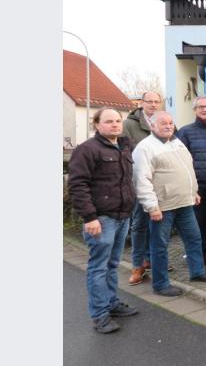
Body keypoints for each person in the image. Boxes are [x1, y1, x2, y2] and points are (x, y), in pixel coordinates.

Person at [68, 108, 140, 333]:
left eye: (118, 121)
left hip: (122, 216)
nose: (115, 125)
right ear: (97, 125)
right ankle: (99, 315)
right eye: (109, 121)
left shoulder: (124, 146)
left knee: (113, 264)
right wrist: (89, 217)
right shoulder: (87, 149)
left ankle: (112, 303)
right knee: (98, 267)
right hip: (101, 219)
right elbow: (77, 185)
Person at [133, 111, 206, 297]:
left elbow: (188, 170)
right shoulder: (145, 148)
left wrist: (193, 192)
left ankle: (197, 272)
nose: (168, 126)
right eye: (163, 123)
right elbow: (142, 179)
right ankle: (161, 284)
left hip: (184, 203)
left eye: (171, 122)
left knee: (194, 238)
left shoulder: (176, 142)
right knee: (160, 246)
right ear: (152, 126)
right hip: (163, 207)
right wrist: (152, 207)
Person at [177, 96, 206, 269]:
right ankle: (195, 257)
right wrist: (189, 187)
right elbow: (180, 161)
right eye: (201, 107)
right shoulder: (185, 132)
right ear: (195, 110)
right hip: (194, 187)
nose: (205, 110)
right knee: (193, 224)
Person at [122, 91, 163, 286]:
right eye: (150, 102)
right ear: (141, 103)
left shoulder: (165, 121)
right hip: (139, 181)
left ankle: (153, 259)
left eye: (157, 102)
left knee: (157, 224)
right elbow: (125, 152)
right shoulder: (129, 124)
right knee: (139, 224)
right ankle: (137, 265)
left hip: (161, 182)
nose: (153, 105)